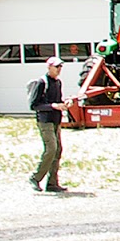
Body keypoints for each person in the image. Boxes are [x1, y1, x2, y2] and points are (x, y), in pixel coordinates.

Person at [28, 56, 68, 192]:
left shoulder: (58, 83)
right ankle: (35, 177)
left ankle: (52, 183)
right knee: (51, 149)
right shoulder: (41, 83)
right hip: (45, 121)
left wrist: (65, 104)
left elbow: (58, 100)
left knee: (58, 150)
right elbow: (34, 105)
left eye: (60, 67)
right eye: (56, 67)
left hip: (56, 120)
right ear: (49, 67)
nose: (59, 69)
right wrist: (53, 106)